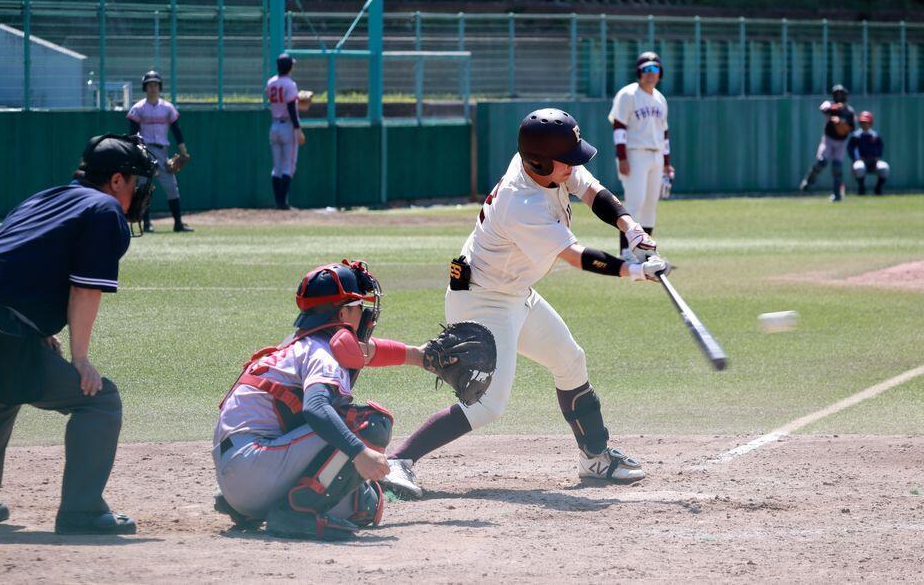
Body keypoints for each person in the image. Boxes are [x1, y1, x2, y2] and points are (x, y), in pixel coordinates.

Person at [382, 108, 670, 500]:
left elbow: (591, 190)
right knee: (486, 407)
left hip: (515, 293)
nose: (574, 165)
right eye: (567, 160)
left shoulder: (546, 167)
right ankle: (398, 460)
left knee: (570, 360)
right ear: (539, 160)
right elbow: (573, 255)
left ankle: (595, 458)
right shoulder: (521, 203)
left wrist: (629, 226)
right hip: (482, 303)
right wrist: (634, 271)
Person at [0, 134, 156, 535]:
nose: (136, 191)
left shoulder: (46, 197)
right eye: (134, 181)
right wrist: (81, 359)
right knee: (99, 400)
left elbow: (11, 266)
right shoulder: (104, 209)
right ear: (117, 180)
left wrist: (32, 329)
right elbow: (84, 289)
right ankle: (82, 511)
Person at [213, 260, 432, 541]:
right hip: (257, 467)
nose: (364, 314)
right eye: (357, 307)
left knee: (363, 504)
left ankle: (259, 508)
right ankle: (299, 512)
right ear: (342, 312)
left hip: (238, 480)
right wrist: (359, 452)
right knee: (369, 424)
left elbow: (369, 352)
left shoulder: (296, 345)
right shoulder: (322, 353)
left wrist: (420, 357)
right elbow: (315, 408)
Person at [608, 51, 675, 261]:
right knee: (633, 204)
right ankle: (625, 251)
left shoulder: (660, 99)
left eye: (655, 69)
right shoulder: (628, 94)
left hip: (655, 156)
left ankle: (645, 251)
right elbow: (619, 126)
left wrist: (666, 163)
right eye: (646, 69)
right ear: (639, 72)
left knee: (650, 205)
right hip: (634, 154)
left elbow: (664, 133)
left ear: (660, 73)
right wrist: (622, 157)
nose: (651, 73)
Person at [127, 70, 193, 232]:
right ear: (145, 87)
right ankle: (147, 224)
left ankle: (178, 223)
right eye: (149, 85)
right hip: (145, 151)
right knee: (144, 188)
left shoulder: (167, 108)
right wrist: (138, 154)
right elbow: (133, 134)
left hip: (163, 152)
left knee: (171, 187)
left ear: (160, 87)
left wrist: (183, 152)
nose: (153, 88)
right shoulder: (138, 108)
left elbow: (177, 130)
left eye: (155, 85)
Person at [799, 84, 856, 202]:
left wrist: (841, 123)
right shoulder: (829, 104)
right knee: (821, 161)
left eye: (841, 94)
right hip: (828, 139)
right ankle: (809, 181)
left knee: (837, 167)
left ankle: (837, 195)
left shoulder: (849, 111)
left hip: (841, 142)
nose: (839, 96)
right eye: (837, 94)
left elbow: (851, 128)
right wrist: (836, 109)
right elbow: (823, 108)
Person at [264, 53, 306, 210]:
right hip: (288, 125)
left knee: (277, 166)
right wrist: (298, 128)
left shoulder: (271, 82)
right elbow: (290, 107)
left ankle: (278, 202)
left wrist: (295, 101)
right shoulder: (290, 84)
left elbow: (275, 99)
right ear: (290, 67)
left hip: (274, 124)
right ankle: (283, 203)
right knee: (289, 165)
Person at [848, 110, 889, 196]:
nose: (864, 124)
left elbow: (880, 147)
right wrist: (856, 158)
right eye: (862, 122)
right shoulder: (856, 136)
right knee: (859, 166)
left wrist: (877, 156)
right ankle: (861, 189)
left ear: (870, 123)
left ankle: (878, 189)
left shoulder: (875, 135)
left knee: (884, 167)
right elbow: (850, 148)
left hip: (874, 162)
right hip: (861, 161)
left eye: (866, 122)